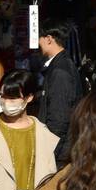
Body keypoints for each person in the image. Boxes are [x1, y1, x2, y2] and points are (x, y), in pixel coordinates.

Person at [37, 25, 80, 162]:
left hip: (60, 151)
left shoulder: (59, 71)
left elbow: (59, 118)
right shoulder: (62, 64)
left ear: (49, 39)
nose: (38, 44)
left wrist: (50, 153)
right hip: (64, 146)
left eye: (40, 39)